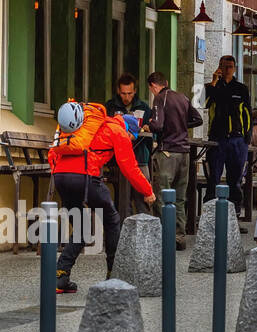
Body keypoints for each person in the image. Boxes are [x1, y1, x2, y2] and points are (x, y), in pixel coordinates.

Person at [48, 101, 155, 293]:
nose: (130, 141)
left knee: (82, 227)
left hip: (61, 176)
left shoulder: (87, 128)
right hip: (85, 176)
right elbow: (129, 167)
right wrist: (148, 191)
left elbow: (53, 152)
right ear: (129, 130)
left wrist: (60, 174)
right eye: (132, 138)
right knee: (112, 219)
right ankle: (114, 274)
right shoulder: (118, 131)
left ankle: (60, 276)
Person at [147, 71, 192, 250]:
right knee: (180, 198)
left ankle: (165, 237)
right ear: (166, 82)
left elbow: (157, 125)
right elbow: (196, 118)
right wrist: (179, 125)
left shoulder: (159, 98)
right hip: (185, 153)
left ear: (153, 86)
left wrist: (149, 123)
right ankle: (179, 238)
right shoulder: (182, 98)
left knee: (163, 196)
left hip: (167, 152)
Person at [204, 54, 251, 210]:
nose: (228, 70)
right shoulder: (212, 87)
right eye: (225, 67)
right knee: (214, 178)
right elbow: (204, 104)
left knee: (235, 179)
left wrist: (247, 136)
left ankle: (235, 211)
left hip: (237, 139)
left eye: (231, 67)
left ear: (234, 68)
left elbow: (248, 113)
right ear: (219, 68)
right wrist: (214, 81)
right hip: (217, 139)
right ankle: (209, 211)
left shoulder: (241, 88)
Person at [103, 73, 153, 216]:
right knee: (123, 203)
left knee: (143, 200)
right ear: (119, 91)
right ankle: (123, 236)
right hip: (119, 161)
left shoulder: (144, 107)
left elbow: (151, 129)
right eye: (123, 93)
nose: (126, 97)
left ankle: (145, 236)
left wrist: (145, 129)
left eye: (129, 93)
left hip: (140, 158)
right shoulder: (111, 106)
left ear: (135, 91)